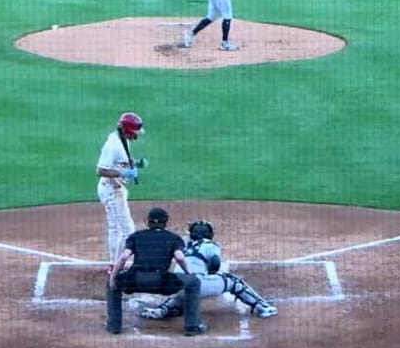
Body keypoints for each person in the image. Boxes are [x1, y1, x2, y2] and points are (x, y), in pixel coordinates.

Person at [140, 219, 277, 321]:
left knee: (183, 291)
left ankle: (161, 310)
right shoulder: (210, 245)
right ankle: (262, 307)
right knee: (233, 281)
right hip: (198, 284)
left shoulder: (183, 245)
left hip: (173, 285)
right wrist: (211, 274)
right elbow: (215, 262)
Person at [107, 207, 203, 335]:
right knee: (194, 282)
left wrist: (113, 278)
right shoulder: (173, 238)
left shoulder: (136, 236)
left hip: (135, 280)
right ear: (166, 222)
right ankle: (192, 327)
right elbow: (179, 257)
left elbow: (124, 257)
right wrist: (189, 273)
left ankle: (114, 325)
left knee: (111, 285)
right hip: (161, 282)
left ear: (148, 222)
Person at [95, 112, 146, 266]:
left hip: (115, 187)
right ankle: (117, 267)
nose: (136, 136)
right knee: (128, 231)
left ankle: (113, 262)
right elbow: (100, 170)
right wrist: (124, 173)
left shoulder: (122, 139)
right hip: (111, 190)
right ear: (127, 131)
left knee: (115, 228)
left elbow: (121, 161)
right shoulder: (113, 145)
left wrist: (136, 164)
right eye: (134, 133)